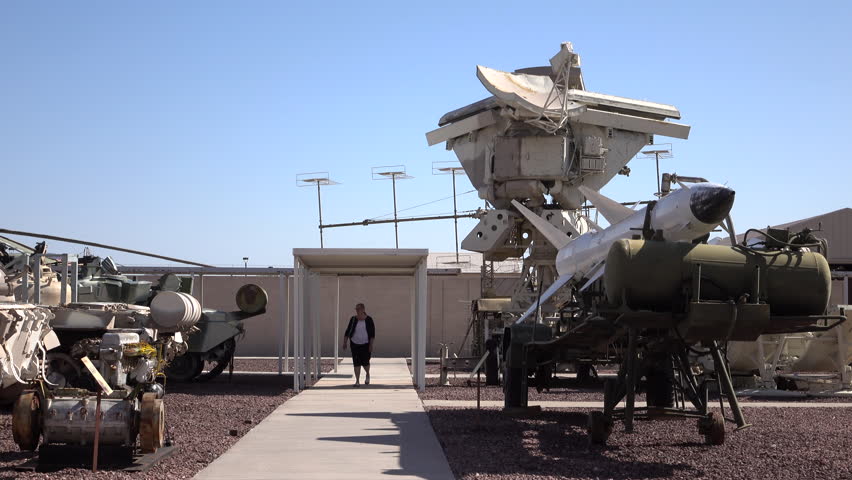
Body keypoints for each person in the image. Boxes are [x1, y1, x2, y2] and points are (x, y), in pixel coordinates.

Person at [342, 303, 375, 387]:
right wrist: (345, 342)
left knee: (365, 362)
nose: (357, 310)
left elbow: (372, 334)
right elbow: (348, 331)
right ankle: (357, 381)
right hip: (354, 344)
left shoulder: (369, 319)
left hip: (365, 344)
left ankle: (367, 373)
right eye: (356, 309)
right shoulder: (353, 319)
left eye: (359, 309)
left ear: (363, 309)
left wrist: (371, 345)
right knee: (356, 363)